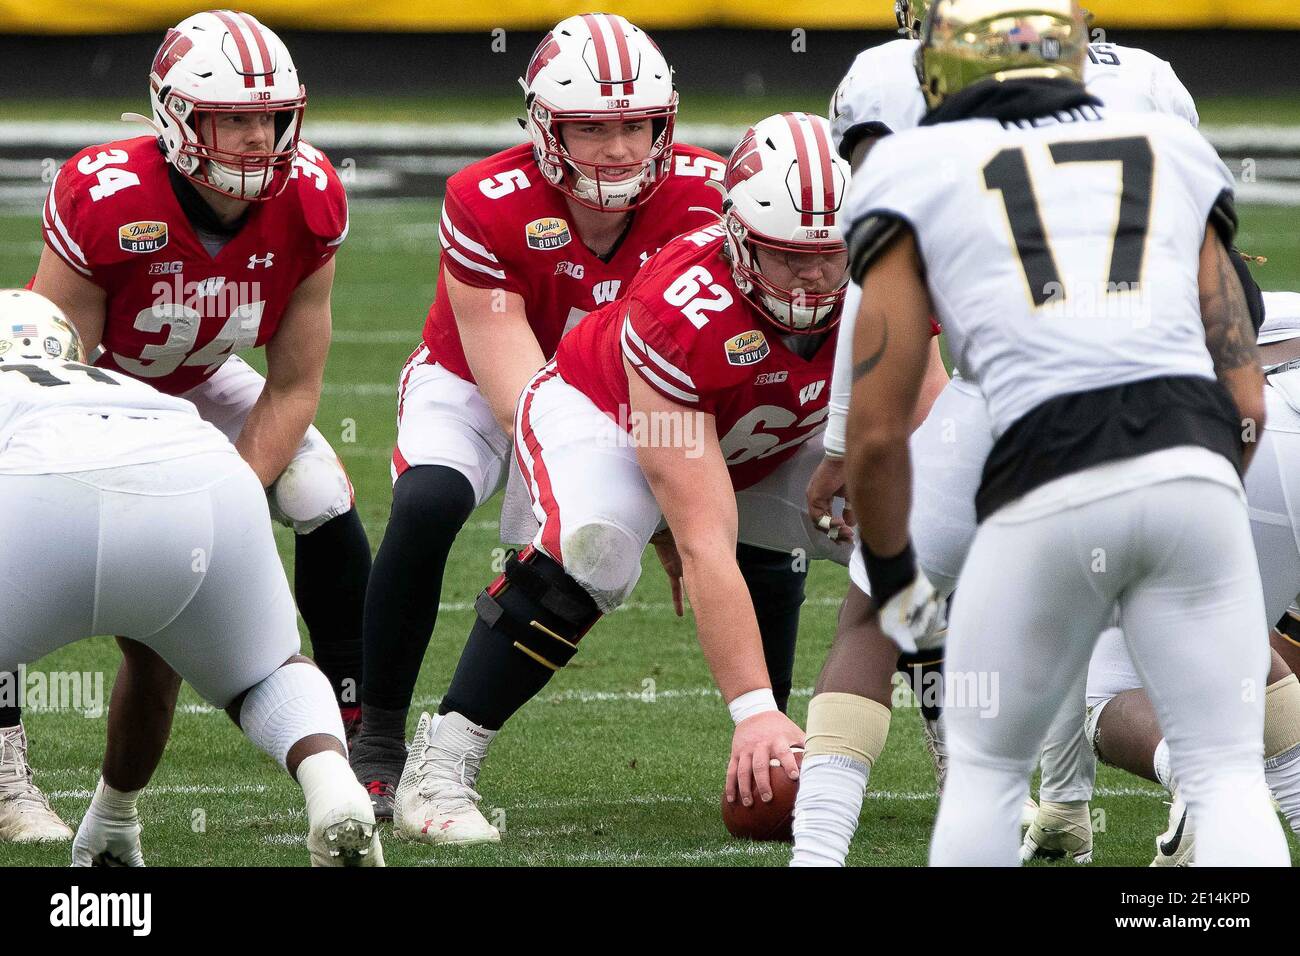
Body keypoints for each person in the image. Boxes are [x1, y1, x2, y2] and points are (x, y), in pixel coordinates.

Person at [839, 0, 1287, 866]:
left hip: (1043, 478)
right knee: (1228, 772)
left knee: (986, 774)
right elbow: (1247, 393)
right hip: (1193, 461)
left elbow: (877, 432)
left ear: (939, 64)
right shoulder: (1169, 147)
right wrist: (1197, 511)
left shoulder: (914, 167)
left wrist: (896, 581)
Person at [351, 12, 818, 821]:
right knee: (435, 503)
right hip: (487, 377)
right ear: (543, 124)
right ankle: (383, 738)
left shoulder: (715, 197)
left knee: (751, 526)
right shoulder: (484, 198)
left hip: (646, 392)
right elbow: (519, 388)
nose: (619, 148)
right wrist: (643, 505)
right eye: (592, 128)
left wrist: (676, 497)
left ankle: (773, 744)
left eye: (637, 125)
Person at [20, 10, 370, 849]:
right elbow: (67, 364)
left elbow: (293, 386)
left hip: (201, 379)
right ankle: (6, 764)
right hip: (89, 387)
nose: (258, 138)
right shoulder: (108, 195)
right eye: (233, 118)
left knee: (321, 492)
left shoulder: (312, 194)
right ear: (178, 116)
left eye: (271, 117)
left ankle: (365, 734)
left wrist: (226, 500)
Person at [0, 289, 380, 867]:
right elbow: (154, 669)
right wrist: (112, 813)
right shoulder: (122, 388)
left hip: (40, 499)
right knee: (266, 675)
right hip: (202, 480)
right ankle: (331, 782)